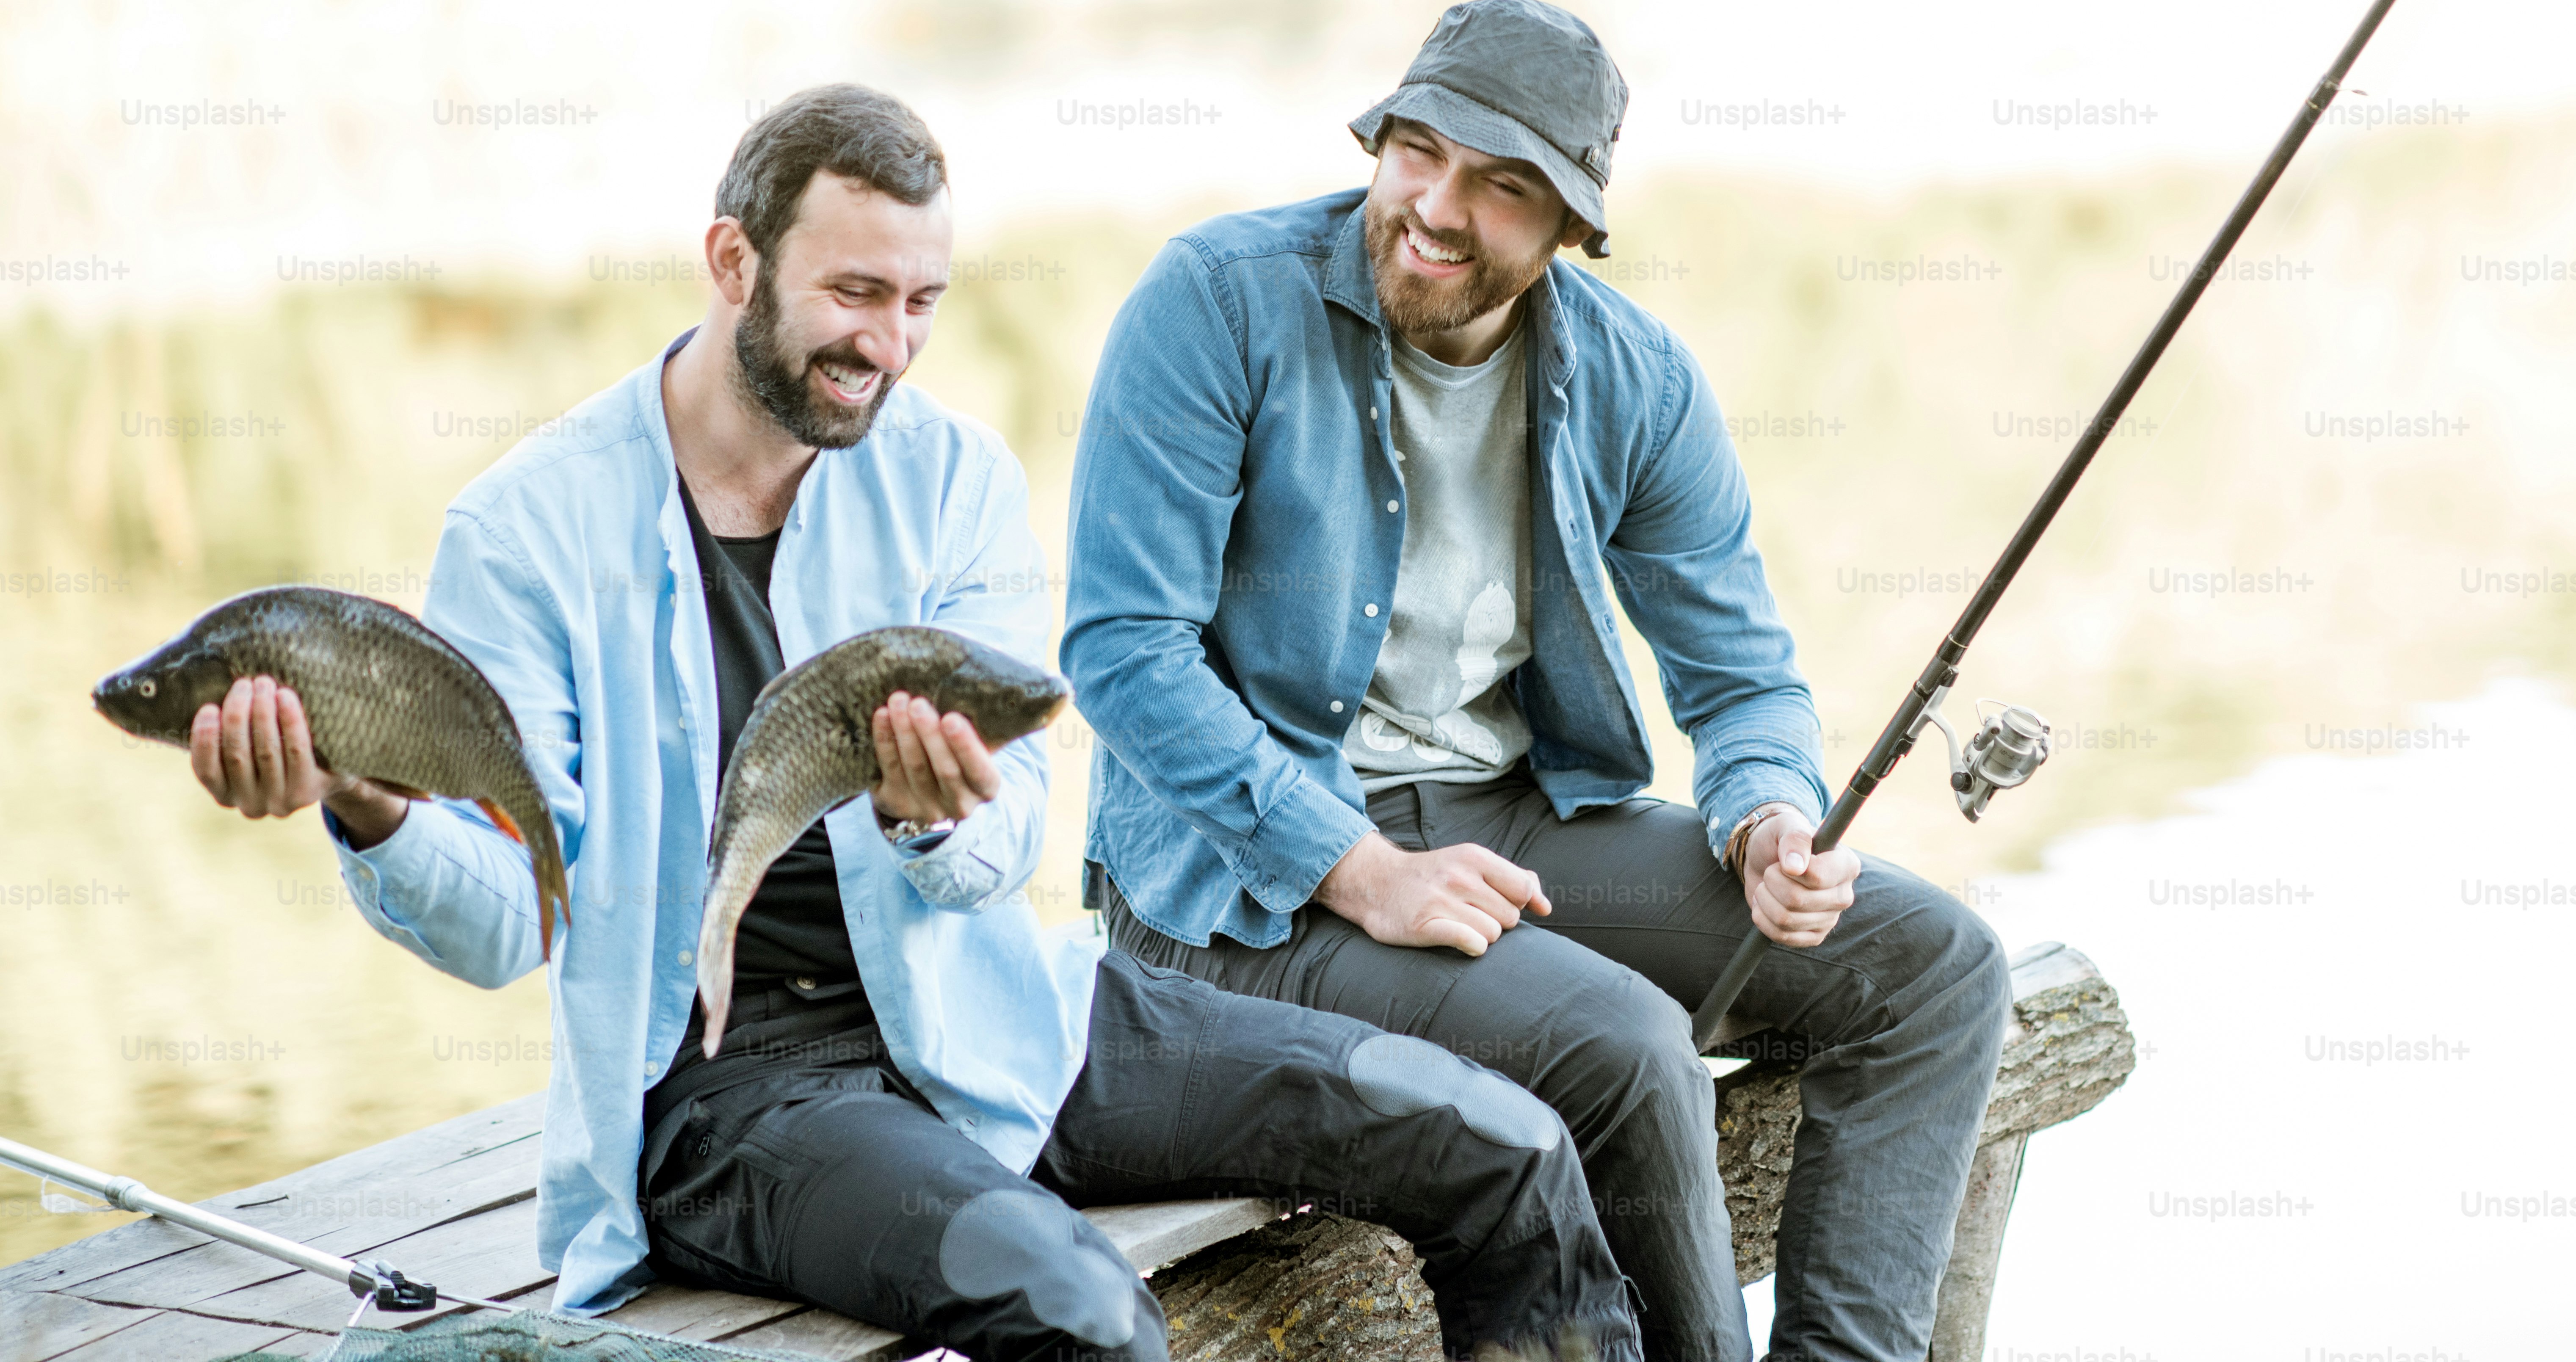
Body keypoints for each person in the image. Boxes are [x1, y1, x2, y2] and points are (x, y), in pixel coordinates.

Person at [182, 84, 1637, 1362]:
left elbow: (1003, 854)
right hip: (729, 1090)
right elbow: (510, 925)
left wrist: (930, 813)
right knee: (1081, 1314)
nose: (888, 345)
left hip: (1002, 1004)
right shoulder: (525, 531)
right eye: (855, 294)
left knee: (1499, 1143)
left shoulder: (953, 478)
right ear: (731, 261)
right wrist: (370, 806)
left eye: (922, 304)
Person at [1065, 0, 2014, 1362]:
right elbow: (1124, 653)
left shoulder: (1636, 378)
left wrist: (1766, 820)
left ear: (1571, 227)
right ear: (1382, 141)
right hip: (1235, 889)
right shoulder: (1215, 303)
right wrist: (1358, 867)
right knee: (1621, 1044)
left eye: (1502, 189)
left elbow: (1745, 678)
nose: (1438, 210)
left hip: (1505, 830)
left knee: (1935, 967)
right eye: (1419, 153)